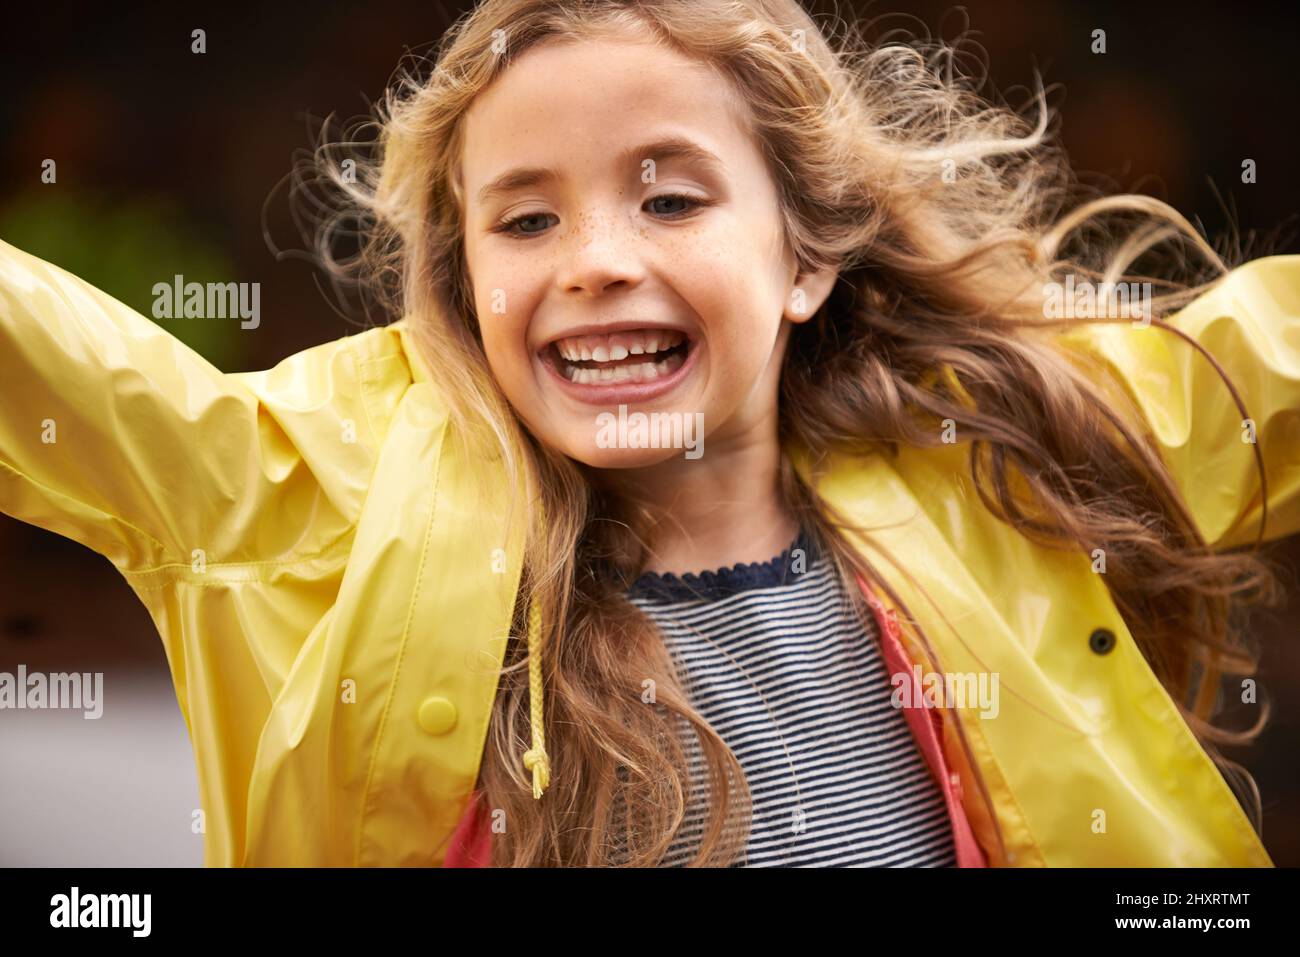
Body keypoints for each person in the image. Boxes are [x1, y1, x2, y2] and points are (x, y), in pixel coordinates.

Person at [2, 0, 1297, 867]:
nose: (597, 262)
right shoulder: (327, 507)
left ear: (803, 257)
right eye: (525, 221)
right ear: (467, 285)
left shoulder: (995, 453)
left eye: (669, 197)